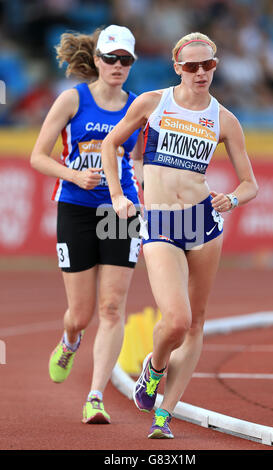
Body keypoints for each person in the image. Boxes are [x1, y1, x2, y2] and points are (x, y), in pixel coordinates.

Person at [101, 31, 258, 439]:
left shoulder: (224, 119)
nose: (201, 72)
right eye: (192, 66)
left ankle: (164, 414)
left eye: (209, 65)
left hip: (203, 223)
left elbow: (249, 183)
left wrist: (233, 200)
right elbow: (111, 143)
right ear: (178, 68)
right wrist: (118, 196)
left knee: (196, 322)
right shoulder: (153, 102)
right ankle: (154, 370)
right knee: (176, 320)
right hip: (161, 223)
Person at [30, 24, 143, 424]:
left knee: (112, 306)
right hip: (76, 207)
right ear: (96, 60)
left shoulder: (137, 107)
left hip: (121, 212)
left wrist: (140, 185)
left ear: (131, 63)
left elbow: (141, 159)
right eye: (110, 58)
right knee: (80, 314)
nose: (116, 65)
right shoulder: (72, 99)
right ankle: (69, 341)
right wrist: (75, 175)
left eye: (124, 59)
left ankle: (95, 396)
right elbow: (37, 157)